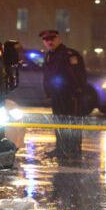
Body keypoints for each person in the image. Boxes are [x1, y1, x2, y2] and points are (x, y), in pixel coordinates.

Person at [40, 29, 89, 157]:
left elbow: (78, 75)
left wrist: (77, 91)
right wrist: (48, 92)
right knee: (59, 122)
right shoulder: (49, 55)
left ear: (58, 38)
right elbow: (47, 76)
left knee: (72, 122)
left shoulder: (69, 54)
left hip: (70, 95)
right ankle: (61, 148)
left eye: (52, 38)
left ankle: (73, 150)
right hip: (57, 96)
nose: (49, 41)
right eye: (46, 39)